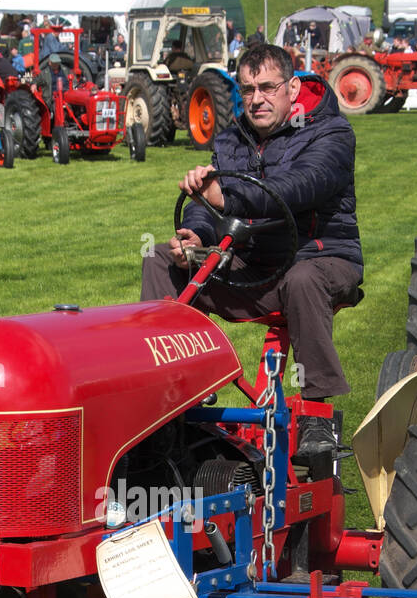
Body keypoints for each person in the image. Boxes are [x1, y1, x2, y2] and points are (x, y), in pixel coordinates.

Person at [140, 42, 363, 459]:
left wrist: (226, 196)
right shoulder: (231, 139)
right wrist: (194, 230)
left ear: (293, 88)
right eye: (247, 90)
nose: (256, 99)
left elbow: (299, 187)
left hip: (322, 258)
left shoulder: (331, 133)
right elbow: (208, 206)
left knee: (303, 278)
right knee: (161, 259)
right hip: (255, 267)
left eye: (267, 87)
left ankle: (317, 417)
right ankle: (168, 397)